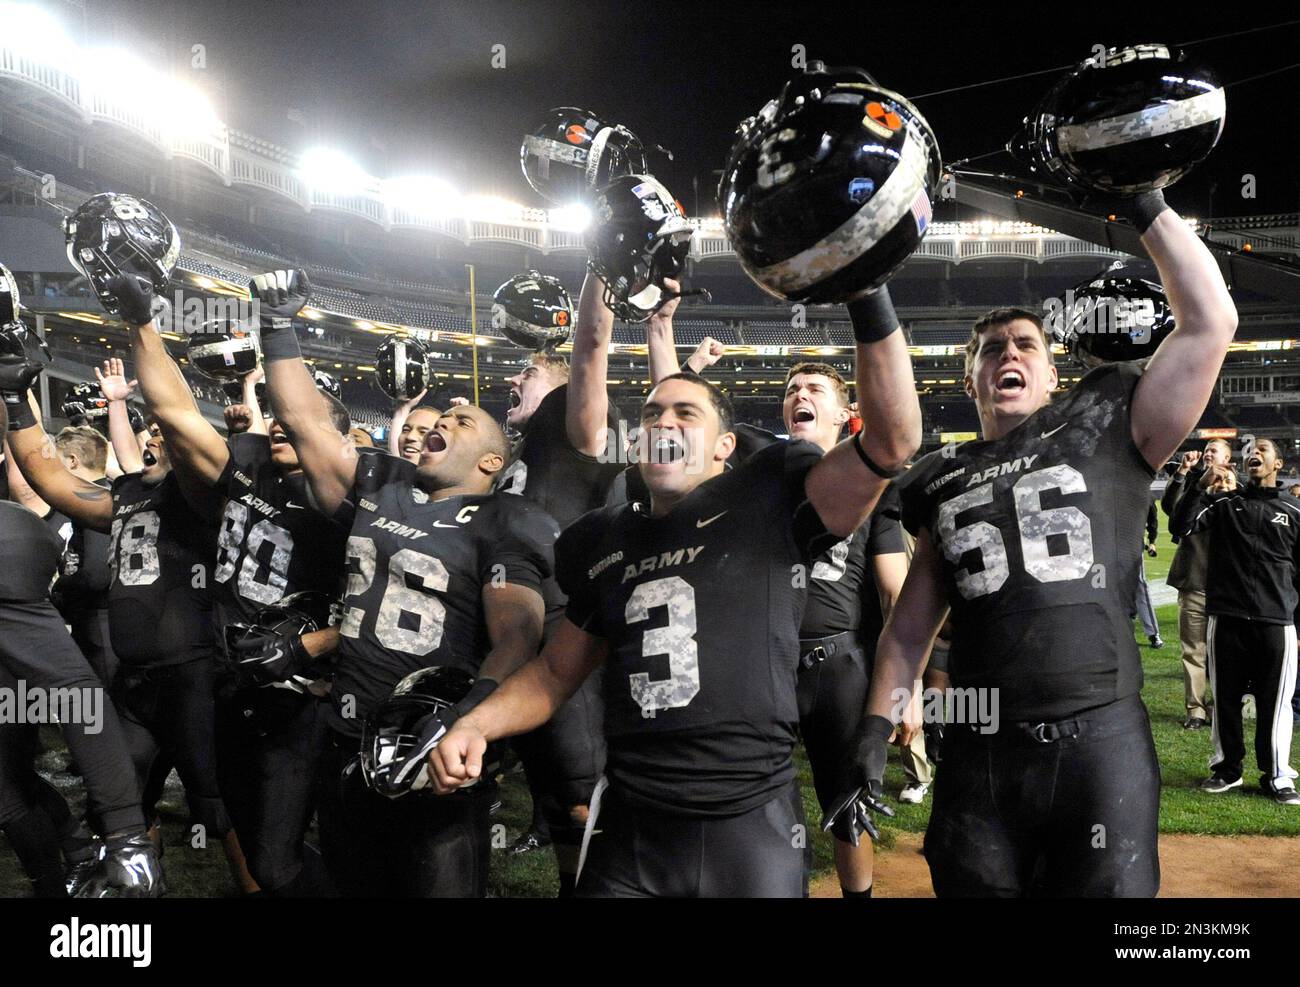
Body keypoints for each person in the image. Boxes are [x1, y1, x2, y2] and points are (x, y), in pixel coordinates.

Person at [430, 280, 921, 897]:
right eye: (651, 413)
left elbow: (892, 441)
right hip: (633, 825)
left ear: (724, 448)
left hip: (750, 821)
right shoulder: (602, 539)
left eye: (686, 413)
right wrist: (479, 723)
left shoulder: (768, 501)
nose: (664, 420)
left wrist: (868, 287)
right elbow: (555, 673)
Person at [861, 187, 1238, 896]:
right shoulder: (940, 475)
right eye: (991, 347)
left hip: (1101, 744)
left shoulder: (1108, 419)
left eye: (1025, 344)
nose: (1009, 352)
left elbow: (1212, 320)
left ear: (1053, 372)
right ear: (968, 374)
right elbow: (908, 631)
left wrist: (1144, 203)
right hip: (982, 754)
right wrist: (871, 732)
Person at [255, 269, 557, 896]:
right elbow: (309, 424)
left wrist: (468, 718)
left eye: (464, 420)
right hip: (346, 740)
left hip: (430, 747)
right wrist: (279, 327)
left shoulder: (505, 520)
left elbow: (517, 636)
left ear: (491, 462)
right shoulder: (380, 482)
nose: (444, 417)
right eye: (444, 412)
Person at [118, 276, 352, 897]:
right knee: (248, 839)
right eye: (277, 416)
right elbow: (172, 412)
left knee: (277, 863)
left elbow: (380, 604)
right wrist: (143, 322)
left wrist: (311, 645)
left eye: (298, 419)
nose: (281, 424)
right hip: (227, 681)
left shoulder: (352, 498)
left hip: (301, 694)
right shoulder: (243, 464)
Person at [0, 367, 162, 897]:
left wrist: (125, 835)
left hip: (136, 647)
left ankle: (111, 846)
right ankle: (83, 849)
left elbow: (77, 695)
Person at [495, 274, 623, 894]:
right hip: (521, 643)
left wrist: (602, 261)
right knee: (551, 794)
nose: (514, 381)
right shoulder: (521, 452)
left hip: (566, 640)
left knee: (580, 802)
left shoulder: (571, 424)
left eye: (529, 373)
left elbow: (592, 346)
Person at [1171, 438, 1300, 804]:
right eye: (1248, 452)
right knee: (1225, 699)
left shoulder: (1295, 510)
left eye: (1262, 449)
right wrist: (1199, 482)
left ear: (1278, 463)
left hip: (1277, 622)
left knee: (1276, 703)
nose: (1252, 454)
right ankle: (1227, 769)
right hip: (1226, 618)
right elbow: (1180, 527)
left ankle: (1277, 775)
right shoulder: (1225, 503)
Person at [1163, 440, 1232, 729]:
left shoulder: (1236, 492)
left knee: (1225, 653)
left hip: (1228, 587)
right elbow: (1172, 512)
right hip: (1193, 579)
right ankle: (1196, 710)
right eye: (1207, 449)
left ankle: (1221, 706)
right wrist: (1182, 473)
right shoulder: (1193, 484)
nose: (1208, 452)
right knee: (1193, 649)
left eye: (1215, 450)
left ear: (1228, 458)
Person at [1134, 499, 1163, 648]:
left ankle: (1153, 633)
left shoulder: (1145, 494)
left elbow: (1152, 520)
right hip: (1111, 543)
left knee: (1140, 584)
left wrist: (1152, 541)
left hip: (1132, 546)